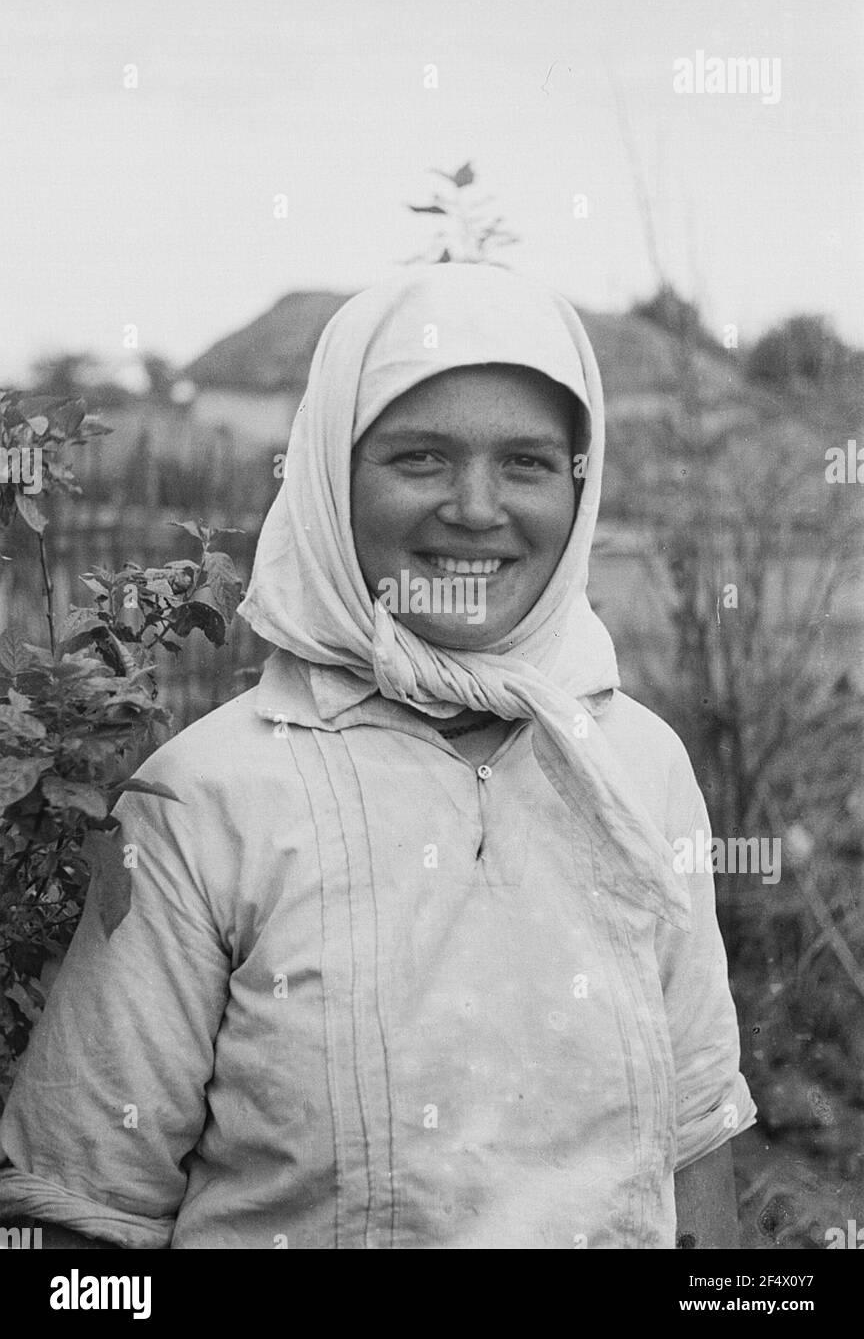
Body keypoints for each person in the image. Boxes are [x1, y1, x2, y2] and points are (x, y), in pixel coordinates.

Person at [0, 262, 756, 1249]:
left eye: (527, 462)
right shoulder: (208, 799)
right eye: (421, 459)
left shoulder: (637, 766)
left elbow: (694, 1127)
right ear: (330, 479)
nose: (478, 508)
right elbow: (82, 1206)